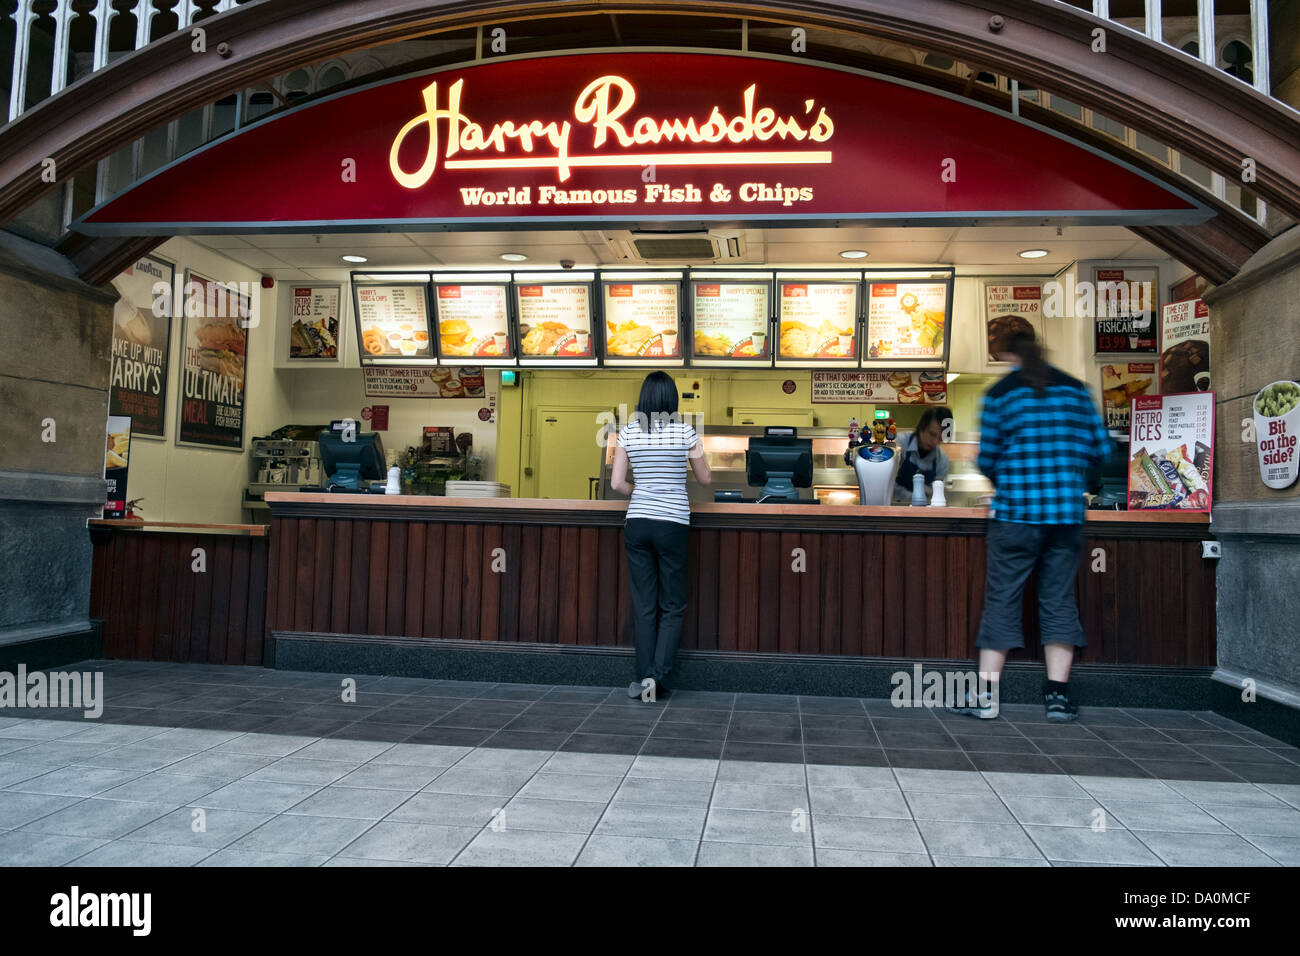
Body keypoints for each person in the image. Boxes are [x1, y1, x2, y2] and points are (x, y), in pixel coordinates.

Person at [948, 332, 1108, 722]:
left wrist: (1006, 479)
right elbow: (1101, 450)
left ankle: (986, 697)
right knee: (1058, 601)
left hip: (1015, 517)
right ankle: (1057, 698)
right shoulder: (1076, 391)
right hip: (1065, 518)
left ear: (1007, 355)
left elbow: (986, 458)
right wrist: (1073, 482)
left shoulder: (1001, 393)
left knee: (1002, 601)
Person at [610, 371, 711, 701]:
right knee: (672, 604)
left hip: (638, 521)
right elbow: (705, 478)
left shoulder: (627, 432)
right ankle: (658, 677)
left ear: (643, 399)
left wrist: (641, 490)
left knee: (644, 604)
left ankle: (643, 678)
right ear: (672, 400)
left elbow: (616, 484)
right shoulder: (685, 431)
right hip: (673, 523)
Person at [891, 406, 953, 503]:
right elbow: (887, 484)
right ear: (921, 426)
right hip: (894, 510)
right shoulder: (899, 444)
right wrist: (913, 498)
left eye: (940, 439)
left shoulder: (942, 460)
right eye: (932, 434)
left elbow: (940, 495)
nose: (935, 442)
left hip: (926, 515)